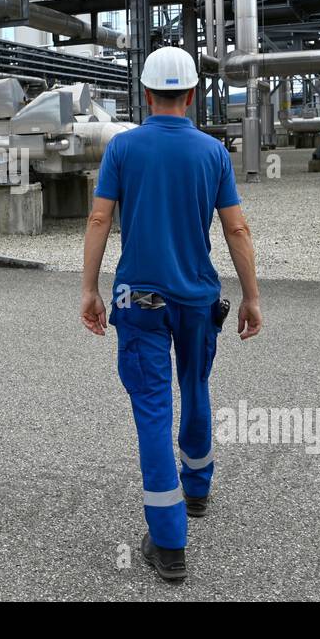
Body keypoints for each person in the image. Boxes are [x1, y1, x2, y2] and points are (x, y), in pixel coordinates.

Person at [80, 45, 262, 583]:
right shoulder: (213, 153)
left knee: (154, 409)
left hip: (139, 300)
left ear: (145, 92)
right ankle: (198, 491)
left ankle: (169, 542)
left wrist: (89, 288)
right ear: (192, 93)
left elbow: (97, 220)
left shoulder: (123, 148)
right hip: (198, 298)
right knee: (197, 385)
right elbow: (236, 229)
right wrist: (251, 296)